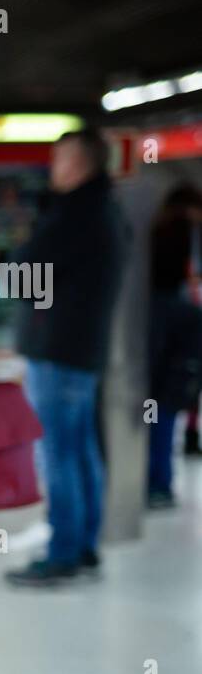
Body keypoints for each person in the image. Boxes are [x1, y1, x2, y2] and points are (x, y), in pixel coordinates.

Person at [4, 129, 127, 587]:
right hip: (87, 349)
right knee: (81, 450)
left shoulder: (72, 216)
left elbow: (25, 275)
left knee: (57, 454)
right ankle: (84, 545)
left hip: (56, 349)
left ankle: (62, 553)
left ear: (77, 165)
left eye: (59, 161)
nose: (53, 170)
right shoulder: (109, 213)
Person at [146, 183, 202, 507]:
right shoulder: (181, 235)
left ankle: (157, 483)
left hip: (163, 352)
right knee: (162, 416)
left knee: (157, 415)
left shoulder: (163, 233)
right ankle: (160, 483)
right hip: (177, 355)